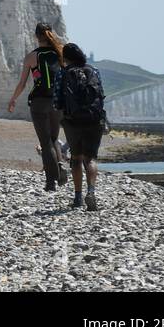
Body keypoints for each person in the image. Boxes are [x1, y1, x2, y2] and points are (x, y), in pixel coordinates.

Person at [8, 22, 67, 192]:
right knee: (54, 139)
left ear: (36, 36)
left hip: (39, 102)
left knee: (45, 142)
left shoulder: (31, 57)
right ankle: (60, 164)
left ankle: (50, 182)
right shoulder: (61, 52)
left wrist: (13, 99)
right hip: (57, 102)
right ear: (51, 34)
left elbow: (22, 83)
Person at [55, 43, 106, 211]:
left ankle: (78, 198)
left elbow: (57, 99)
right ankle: (91, 192)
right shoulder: (94, 70)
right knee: (90, 158)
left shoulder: (63, 73)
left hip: (72, 121)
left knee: (76, 158)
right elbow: (101, 95)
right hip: (94, 119)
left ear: (66, 57)